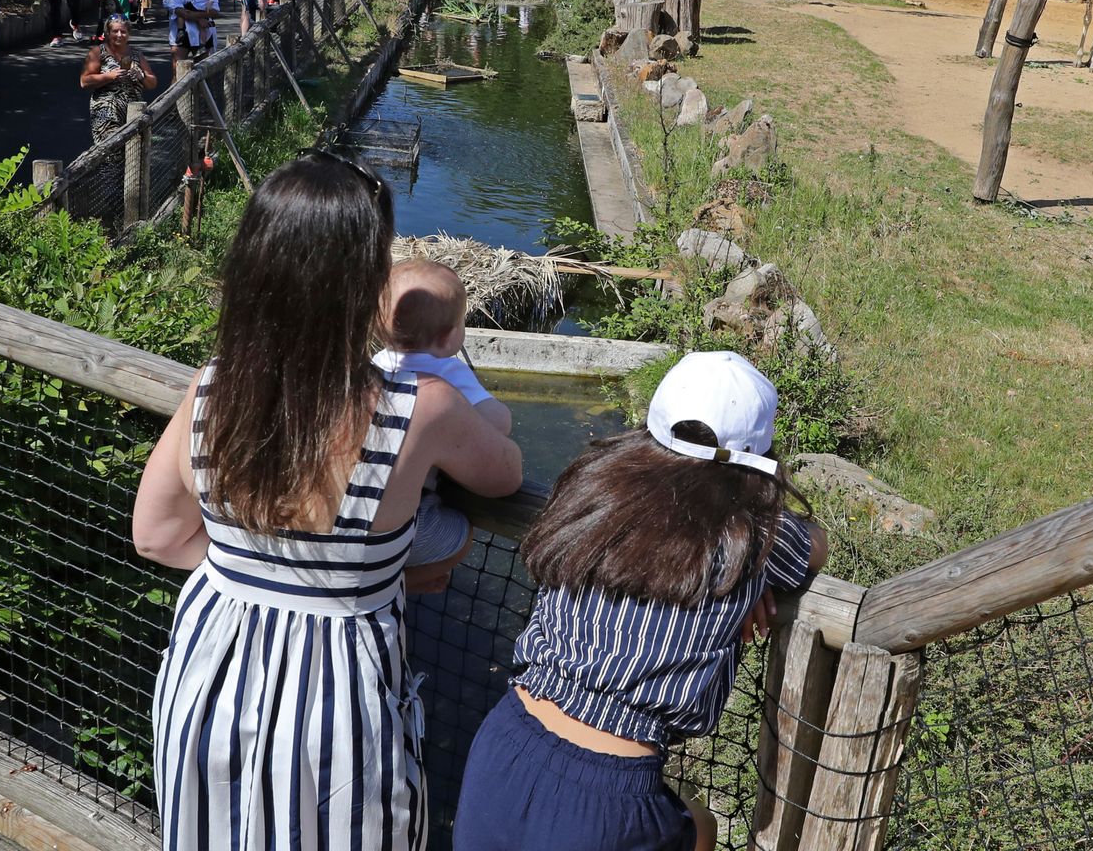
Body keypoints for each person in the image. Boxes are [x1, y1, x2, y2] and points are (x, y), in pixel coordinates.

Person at [132, 150, 523, 851]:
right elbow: (506, 475)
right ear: (362, 285)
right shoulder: (422, 407)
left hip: (210, 671)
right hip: (339, 691)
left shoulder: (214, 386)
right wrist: (357, 574)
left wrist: (268, 571)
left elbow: (157, 535)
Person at [453, 351, 829, 851]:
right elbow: (817, 546)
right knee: (703, 830)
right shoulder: (751, 533)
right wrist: (752, 573)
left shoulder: (593, 488)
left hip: (507, 739)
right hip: (609, 798)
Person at [372, 259, 514, 589]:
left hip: (366, 506)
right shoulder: (449, 373)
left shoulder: (375, 364)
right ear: (450, 337)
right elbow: (499, 425)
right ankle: (404, 584)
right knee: (460, 535)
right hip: (413, 516)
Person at [80, 15, 157, 143]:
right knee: (111, 147)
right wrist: (109, 76)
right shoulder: (98, 52)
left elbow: (152, 83)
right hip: (106, 112)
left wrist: (141, 76)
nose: (119, 35)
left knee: (134, 147)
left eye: (123, 31)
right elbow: (84, 81)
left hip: (133, 111)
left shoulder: (136, 54)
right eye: (115, 31)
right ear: (108, 33)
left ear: (129, 33)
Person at [163, 0, 221, 73]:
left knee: (204, 73)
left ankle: (201, 47)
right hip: (179, 35)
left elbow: (215, 10)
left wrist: (200, 13)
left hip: (201, 34)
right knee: (177, 73)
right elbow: (178, 10)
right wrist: (200, 18)